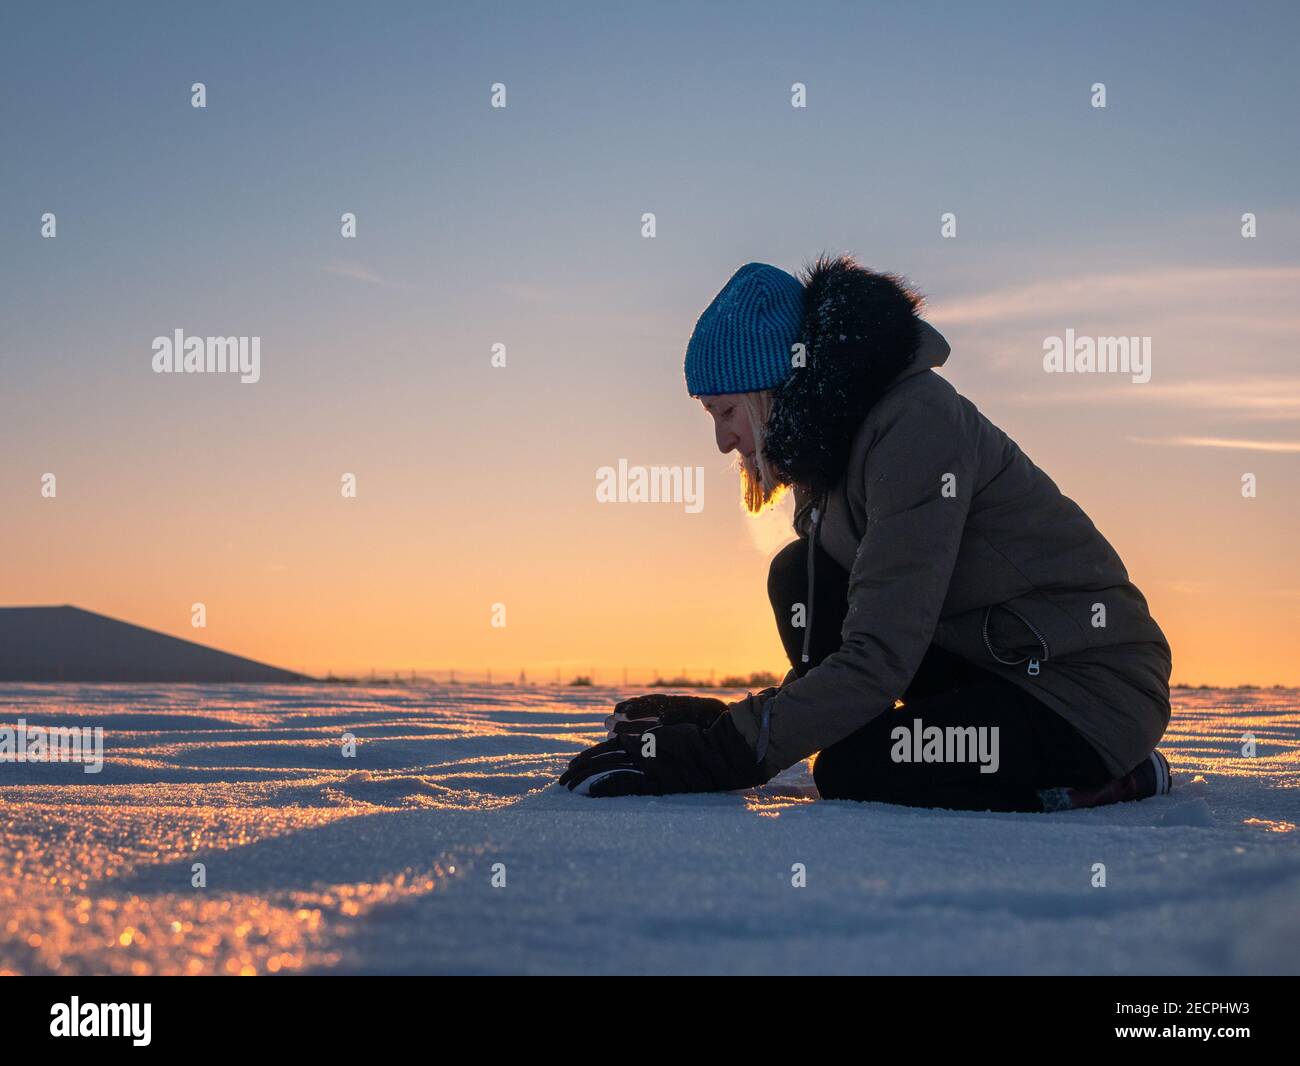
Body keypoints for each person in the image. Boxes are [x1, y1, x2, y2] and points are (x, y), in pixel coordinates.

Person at [560, 257, 1173, 812]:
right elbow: (856, 635)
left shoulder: (916, 426)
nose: (723, 441)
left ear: (768, 393)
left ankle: (1117, 776)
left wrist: (723, 753)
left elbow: (880, 655)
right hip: (989, 665)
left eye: (725, 412)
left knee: (861, 769)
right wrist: (729, 721)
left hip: (1083, 691)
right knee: (798, 573)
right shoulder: (827, 456)